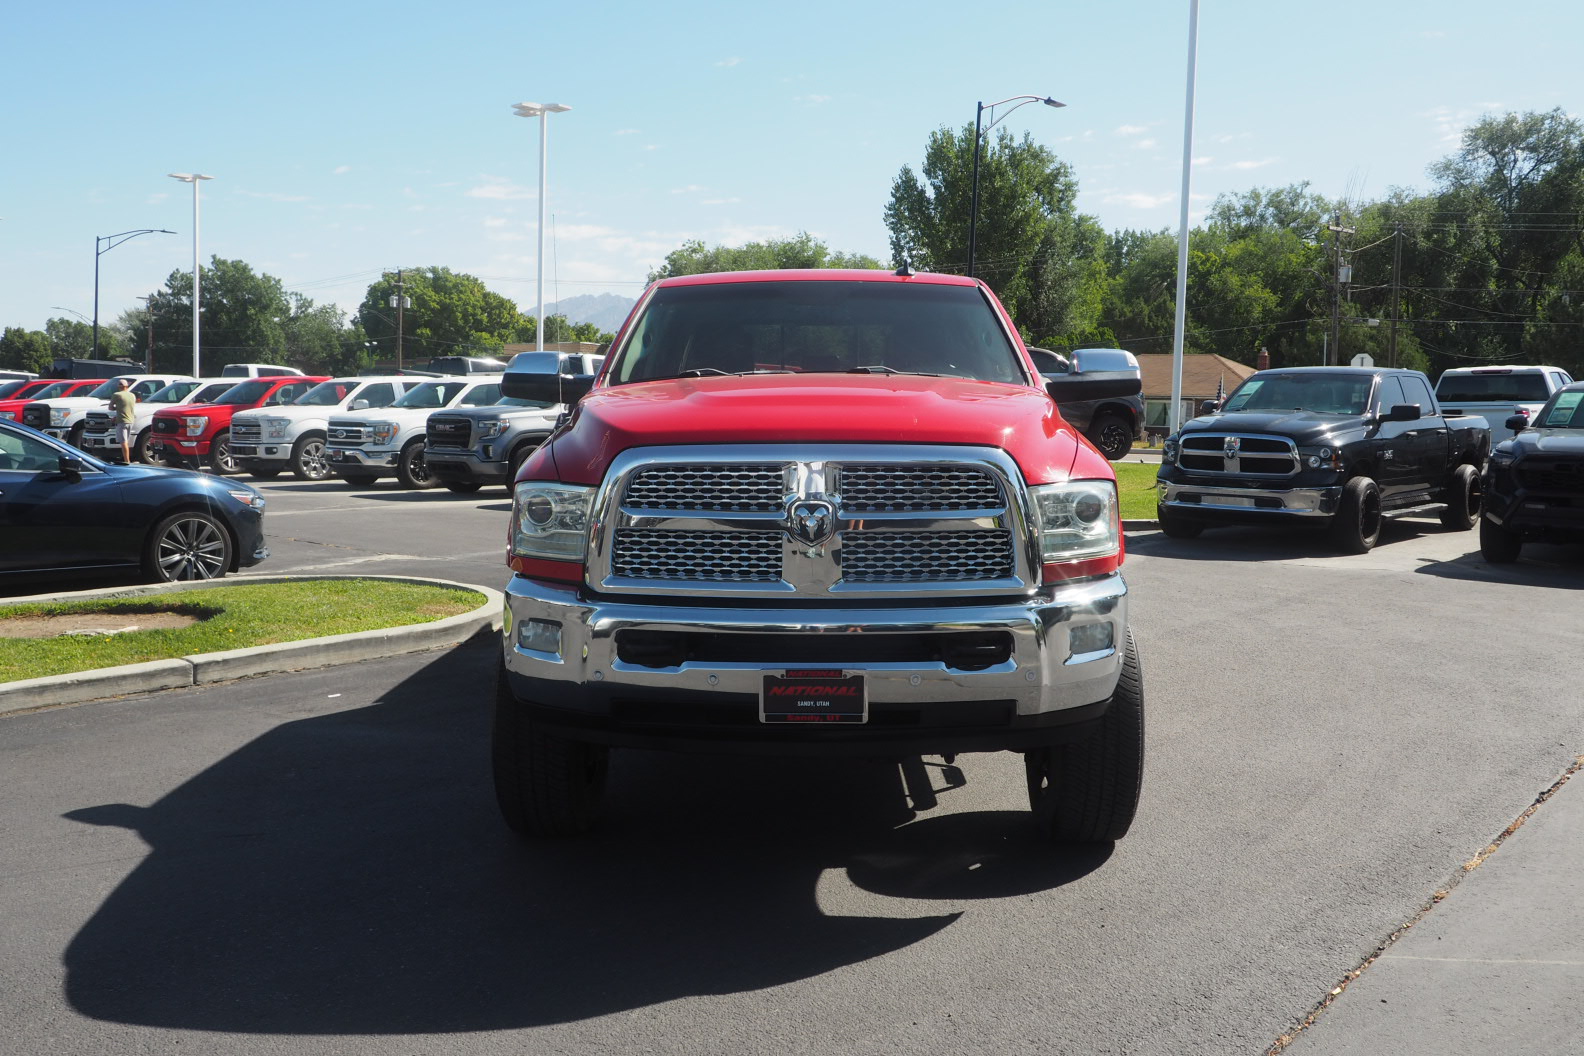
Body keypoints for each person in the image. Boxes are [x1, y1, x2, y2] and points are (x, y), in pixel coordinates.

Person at [108, 379, 137, 463]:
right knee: (126, 441)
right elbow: (125, 408)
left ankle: (127, 461)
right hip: (130, 421)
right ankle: (127, 459)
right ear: (126, 386)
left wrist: (116, 408)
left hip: (122, 422)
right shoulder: (132, 395)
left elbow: (110, 407)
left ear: (119, 386)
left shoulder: (116, 395)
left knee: (123, 442)